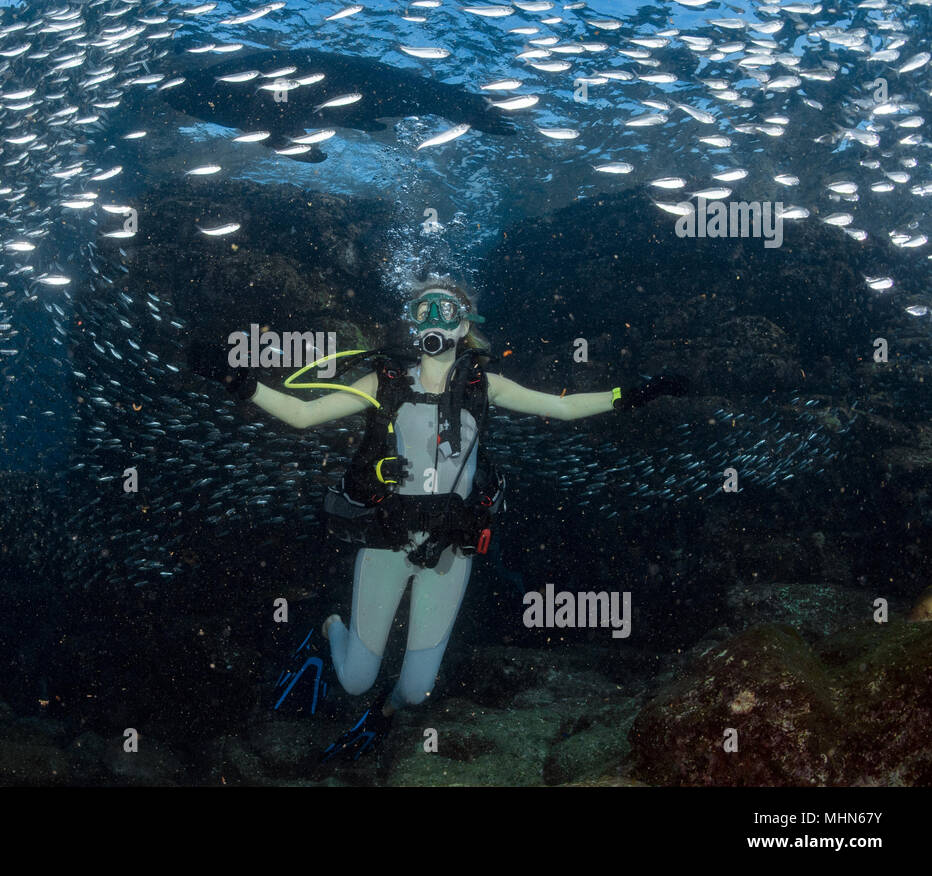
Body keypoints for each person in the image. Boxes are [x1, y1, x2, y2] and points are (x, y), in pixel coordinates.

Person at [190, 275, 686, 762]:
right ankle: (330, 627)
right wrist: (240, 381)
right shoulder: (381, 382)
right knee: (355, 678)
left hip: (450, 551)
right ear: (411, 323)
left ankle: (383, 715)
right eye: (423, 309)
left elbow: (563, 408)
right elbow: (301, 415)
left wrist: (631, 395)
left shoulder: (483, 385)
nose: (433, 319)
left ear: (464, 325)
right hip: (388, 542)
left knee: (417, 691)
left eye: (444, 310)